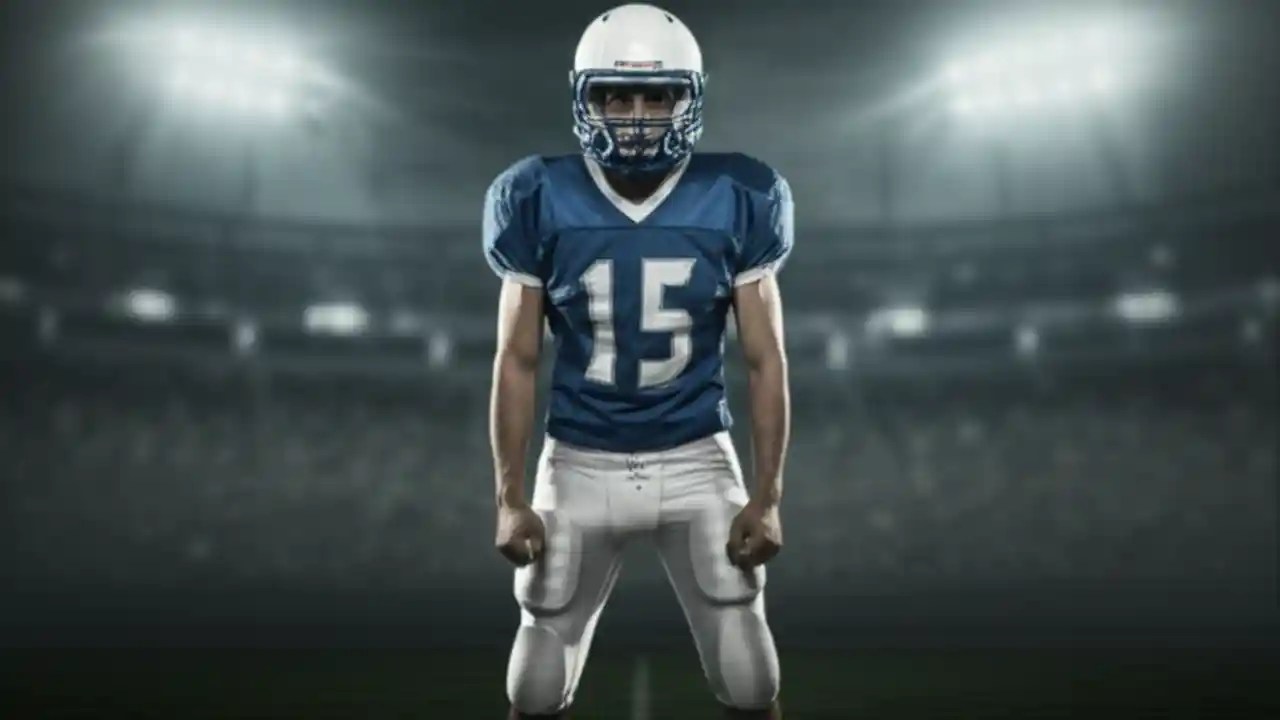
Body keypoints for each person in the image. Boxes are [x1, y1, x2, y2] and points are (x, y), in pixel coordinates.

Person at [485, 4, 792, 718]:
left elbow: (766, 359)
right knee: (532, 683)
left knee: (753, 678)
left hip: (695, 453)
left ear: (691, 98)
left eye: (658, 96)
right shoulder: (536, 196)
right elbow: (517, 358)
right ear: (581, 97)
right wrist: (507, 498)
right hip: (580, 457)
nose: (636, 115)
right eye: (614, 95)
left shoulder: (739, 195)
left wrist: (770, 496)